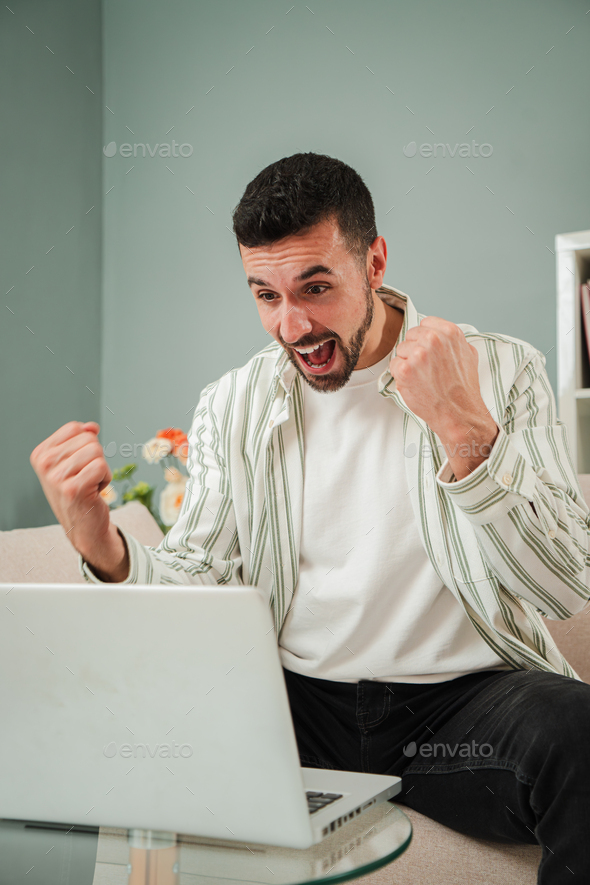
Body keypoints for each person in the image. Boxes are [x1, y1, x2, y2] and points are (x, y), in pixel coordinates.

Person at [31, 152, 590, 882]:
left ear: (375, 262)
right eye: (266, 295)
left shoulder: (502, 369)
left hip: (462, 706)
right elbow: (198, 581)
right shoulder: (232, 402)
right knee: (110, 726)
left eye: (316, 288)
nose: (291, 325)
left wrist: (466, 433)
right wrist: (99, 543)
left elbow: (564, 586)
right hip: (292, 708)